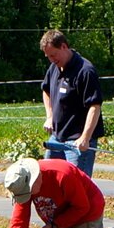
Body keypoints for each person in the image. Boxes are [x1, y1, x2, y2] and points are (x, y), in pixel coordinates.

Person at [39, 30, 104, 175]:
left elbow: (95, 106)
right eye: (48, 56)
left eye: (53, 55)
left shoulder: (85, 71)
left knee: (77, 185)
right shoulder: (54, 68)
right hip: (57, 138)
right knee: (48, 177)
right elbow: (46, 90)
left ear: (63, 46)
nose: (52, 60)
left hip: (77, 142)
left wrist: (85, 138)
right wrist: (49, 116)